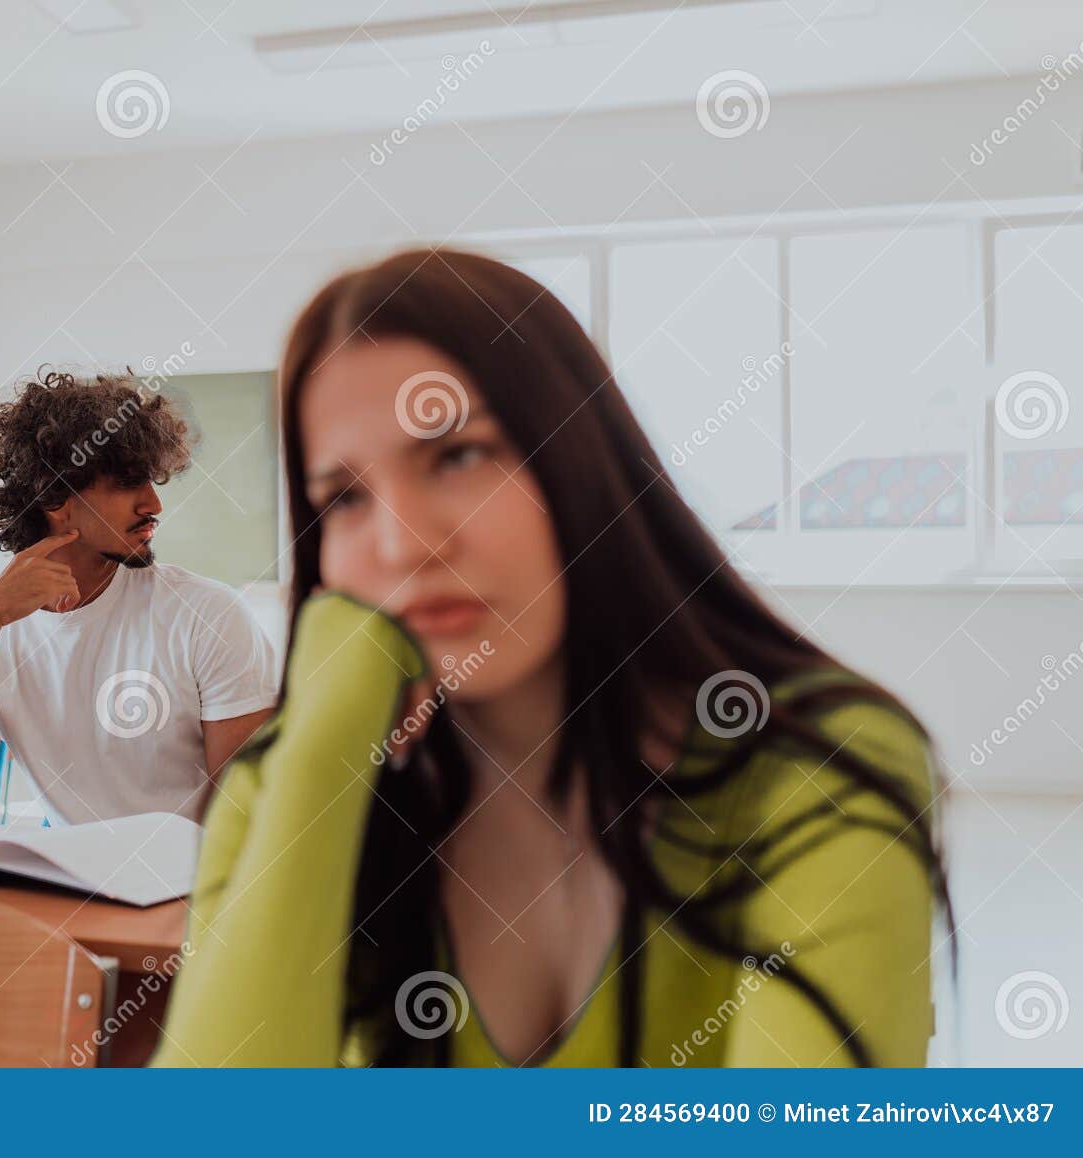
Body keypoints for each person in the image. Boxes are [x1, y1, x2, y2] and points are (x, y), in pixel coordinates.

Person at [153, 248, 955, 1068]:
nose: (406, 542)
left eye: (458, 454)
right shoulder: (282, 786)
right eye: (346, 499)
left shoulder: (818, 766)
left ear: (580, 460)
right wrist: (323, 758)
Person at [0, 367, 278, 830]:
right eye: (127, 483)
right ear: (57, 498)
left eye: (151, 481)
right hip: (71, 888)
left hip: (187, 891)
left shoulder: (208, 615)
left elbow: (250, 819)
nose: (153, 504)